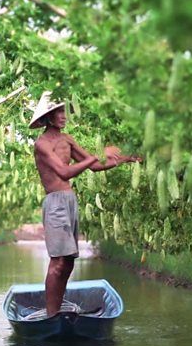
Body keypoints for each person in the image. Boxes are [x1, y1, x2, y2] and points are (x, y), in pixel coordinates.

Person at [29, 92, 139, 317]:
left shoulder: (67, 139)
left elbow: (95, 165)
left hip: (70, 201)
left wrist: (124, 158)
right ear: (48, 117)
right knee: (57, 262)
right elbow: (64, 171)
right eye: (58, 112)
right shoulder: (42, 144)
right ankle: (51, 315)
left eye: (63, 112)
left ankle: (58, 309)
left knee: (68, 261)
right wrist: (96, 155)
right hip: (55, 202)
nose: (63, 116)